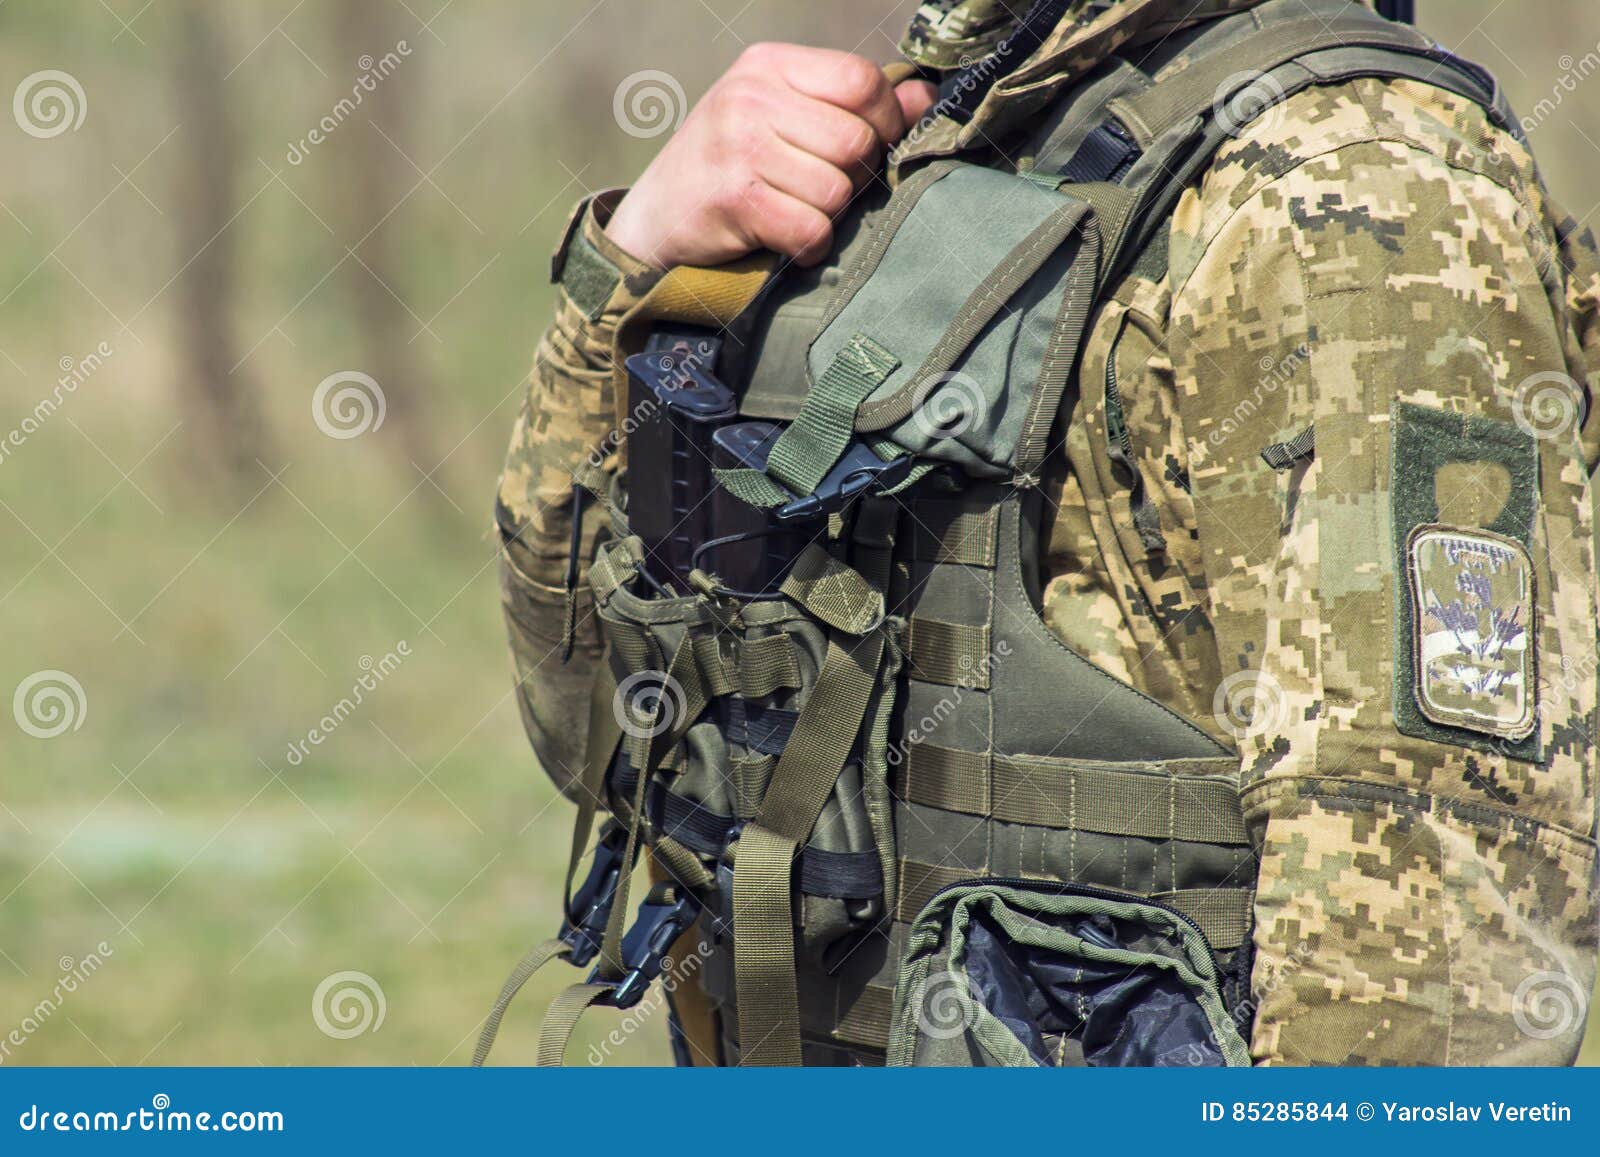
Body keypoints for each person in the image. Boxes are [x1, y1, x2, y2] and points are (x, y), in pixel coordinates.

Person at [493, 0, 1599, 1066]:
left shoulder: (1357, 188)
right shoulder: (975, 122)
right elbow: (605, 735)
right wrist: (632, 268)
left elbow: (1432, 978)